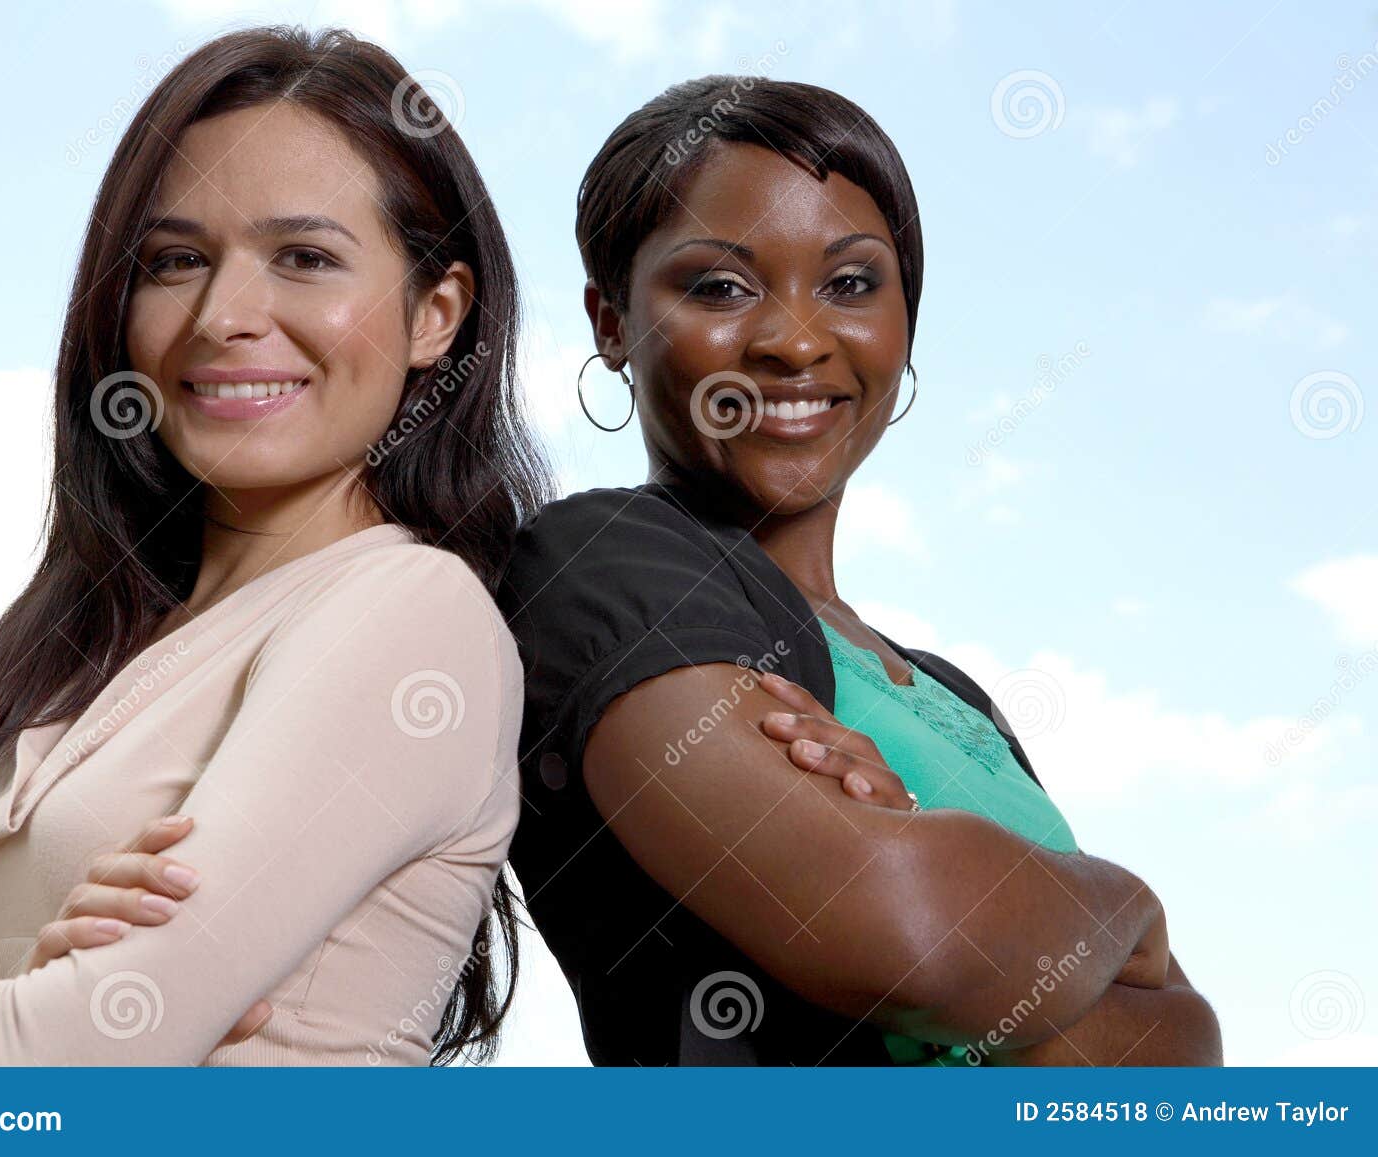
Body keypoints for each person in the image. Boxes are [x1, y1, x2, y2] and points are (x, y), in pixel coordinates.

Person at [0, 25, 551, 1067]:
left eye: (305, 257)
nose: (224, 315)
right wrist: (0, 1008)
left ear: (436, 315)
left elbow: (76, 1053)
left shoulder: (408, 611)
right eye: (175, 261)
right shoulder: (79, 639)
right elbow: (25, 1044)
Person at [493, 76, 1222, 1066]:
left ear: (905, 323)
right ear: (611, 322)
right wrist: (1125, 912)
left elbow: (1185, 1049)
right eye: (718, 285)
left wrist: (1015, 932)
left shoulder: (953, 695)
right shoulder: (598, 565)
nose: (794, 340)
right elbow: (908, 939)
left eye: (849, 283)